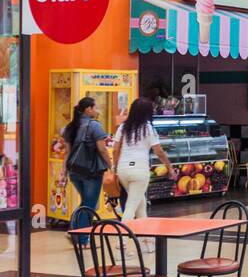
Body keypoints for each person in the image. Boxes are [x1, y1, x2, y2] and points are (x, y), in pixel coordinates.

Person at [113, 97, 176, 223]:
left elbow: (115, 150)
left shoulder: (123, 127)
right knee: (131, 207)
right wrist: (170, 168)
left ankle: (146, 241)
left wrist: (115, 168)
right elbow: (159, 152)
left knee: (140, 207)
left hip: (123, 170)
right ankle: (122, 240)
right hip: (140, 170)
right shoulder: (148, 128)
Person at [62, 97, 113, 244]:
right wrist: (111, 166)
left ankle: (75, 230)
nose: (96, 111)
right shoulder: (94, 126)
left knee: (88, 202)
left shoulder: (70, 127)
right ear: (88, 109)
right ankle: (82, 239)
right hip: (91, 172)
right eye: (95, 108)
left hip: (74, 171)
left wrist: (63, 172)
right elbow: (102, 149)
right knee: (89, 205)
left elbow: (68, 152)